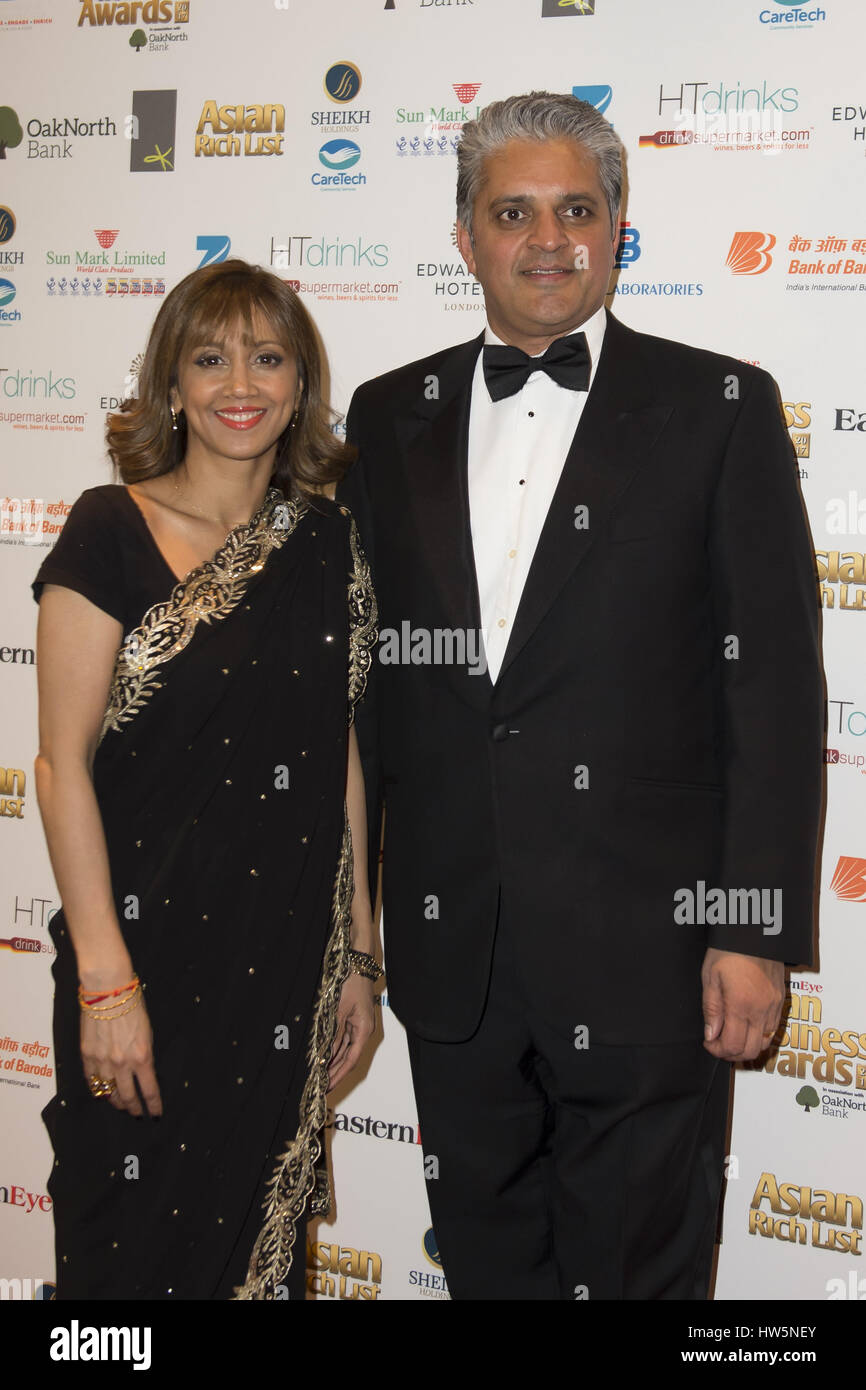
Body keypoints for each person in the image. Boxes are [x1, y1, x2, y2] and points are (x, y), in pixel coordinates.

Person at [340, 93, 824, 1300]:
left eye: (576, 209)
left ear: (617, 228)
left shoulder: (719, 406)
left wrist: (751, 929)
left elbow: (767, 689)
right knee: (489, 1273)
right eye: (512, 212)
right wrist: (352, 935)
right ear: (464, 236)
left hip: (653, 955)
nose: (546, 239)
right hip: (454, 955)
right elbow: (359, 703)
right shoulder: (386, 413)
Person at [33, 259, 379, 1301]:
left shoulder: (327, 544)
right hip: (138, 958)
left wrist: (359, 951)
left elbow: (344, 754)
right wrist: (106, 983)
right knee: (125, 1248)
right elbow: (59, 769)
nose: (242, 381)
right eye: (211, 356)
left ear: (299, 382)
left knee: (255, 1253)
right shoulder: (109, 527)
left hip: (278, 964)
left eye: (268, 357)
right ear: (170, 384)